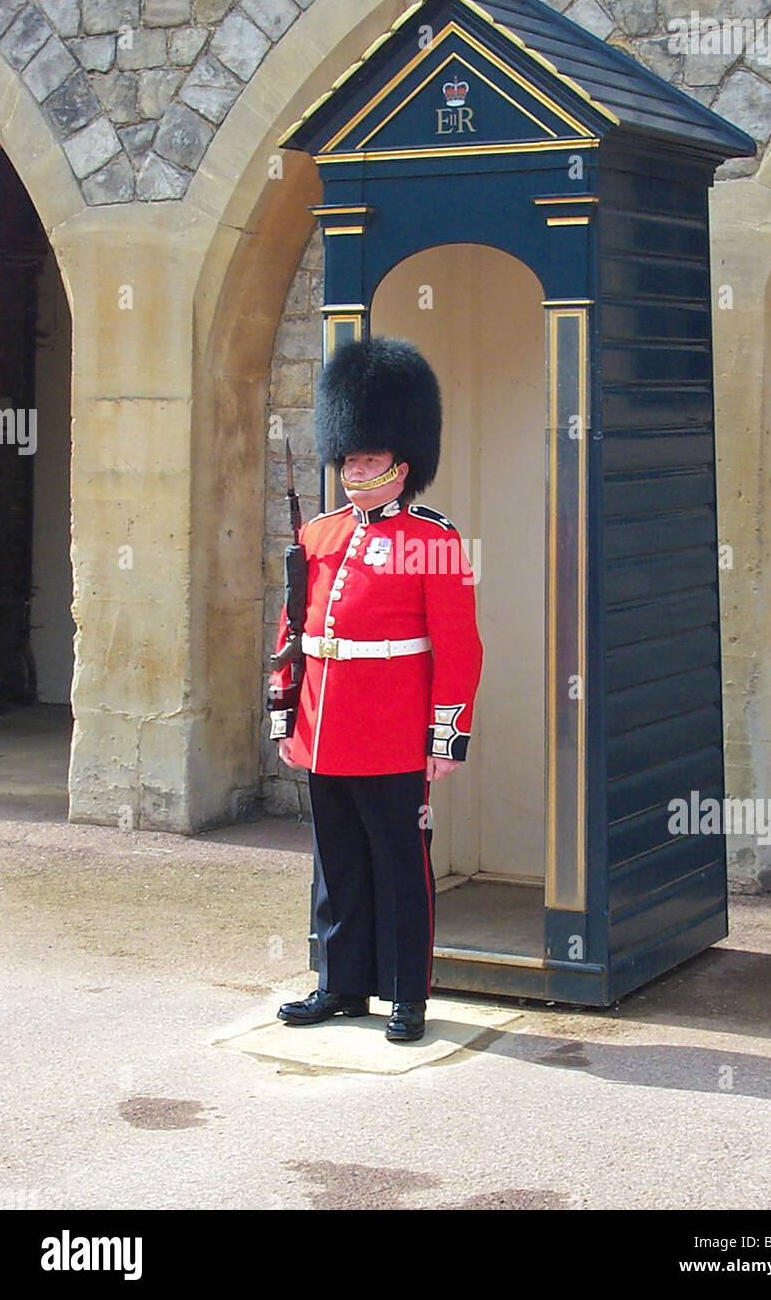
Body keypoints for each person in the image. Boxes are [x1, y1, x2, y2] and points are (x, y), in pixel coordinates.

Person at [272, 336, 483, 1042]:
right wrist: (283, 715)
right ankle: (340, 985)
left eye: (369, 458)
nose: (356, 468)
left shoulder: (433, 538)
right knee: (337, 866)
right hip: (323, 727)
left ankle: (405, 995)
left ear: (402, 464)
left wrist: (445, 735)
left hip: (392, 730)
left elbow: (458, 646)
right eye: (350, 457)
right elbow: (294, 631)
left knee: (398, 866)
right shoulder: (321, 533)